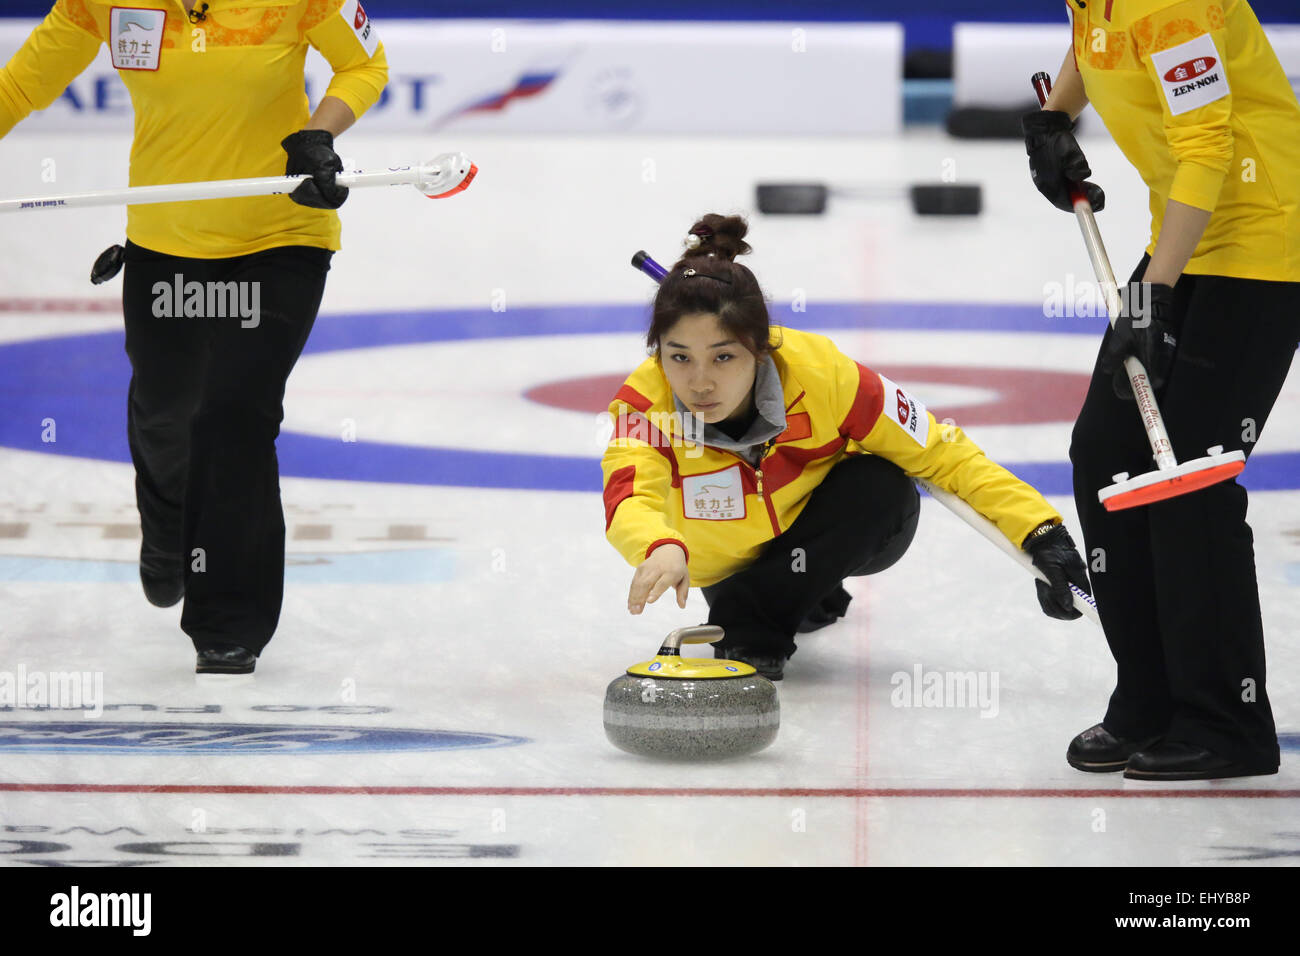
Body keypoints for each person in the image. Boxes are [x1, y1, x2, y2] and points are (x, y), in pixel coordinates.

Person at [0, 0, 388, 674]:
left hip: (280, 239)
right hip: (163, 240)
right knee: (165, 415)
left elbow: (364, 63)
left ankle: (227, 622)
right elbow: (21, 86)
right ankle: (171, 530)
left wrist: (317, 135)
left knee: (235, 415)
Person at [601, 214, 1091, 681]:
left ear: (761, 346)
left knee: (883, 486)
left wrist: (1040, 531)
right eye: (679, 356)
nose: (700, 382)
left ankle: (780, 602)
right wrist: (659, 546)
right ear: (657, 352)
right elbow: (629, 497)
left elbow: (940, 452)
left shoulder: (826, 377)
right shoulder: (644, 407)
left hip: (807, 532)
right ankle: (774, 608)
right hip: (721, 560)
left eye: (723, 356)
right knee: (765, 598)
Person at [1024, 0, 1300, 778]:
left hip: (1265, 243)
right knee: (1108, 453)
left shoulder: (1174, 4)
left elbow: (1209, 145)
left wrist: (1160, 294)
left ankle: (1226, 722)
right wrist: (1054, 117)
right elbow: (1095, 36)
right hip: (1184, 239)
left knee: (1189, 474)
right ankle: (1147, 695)